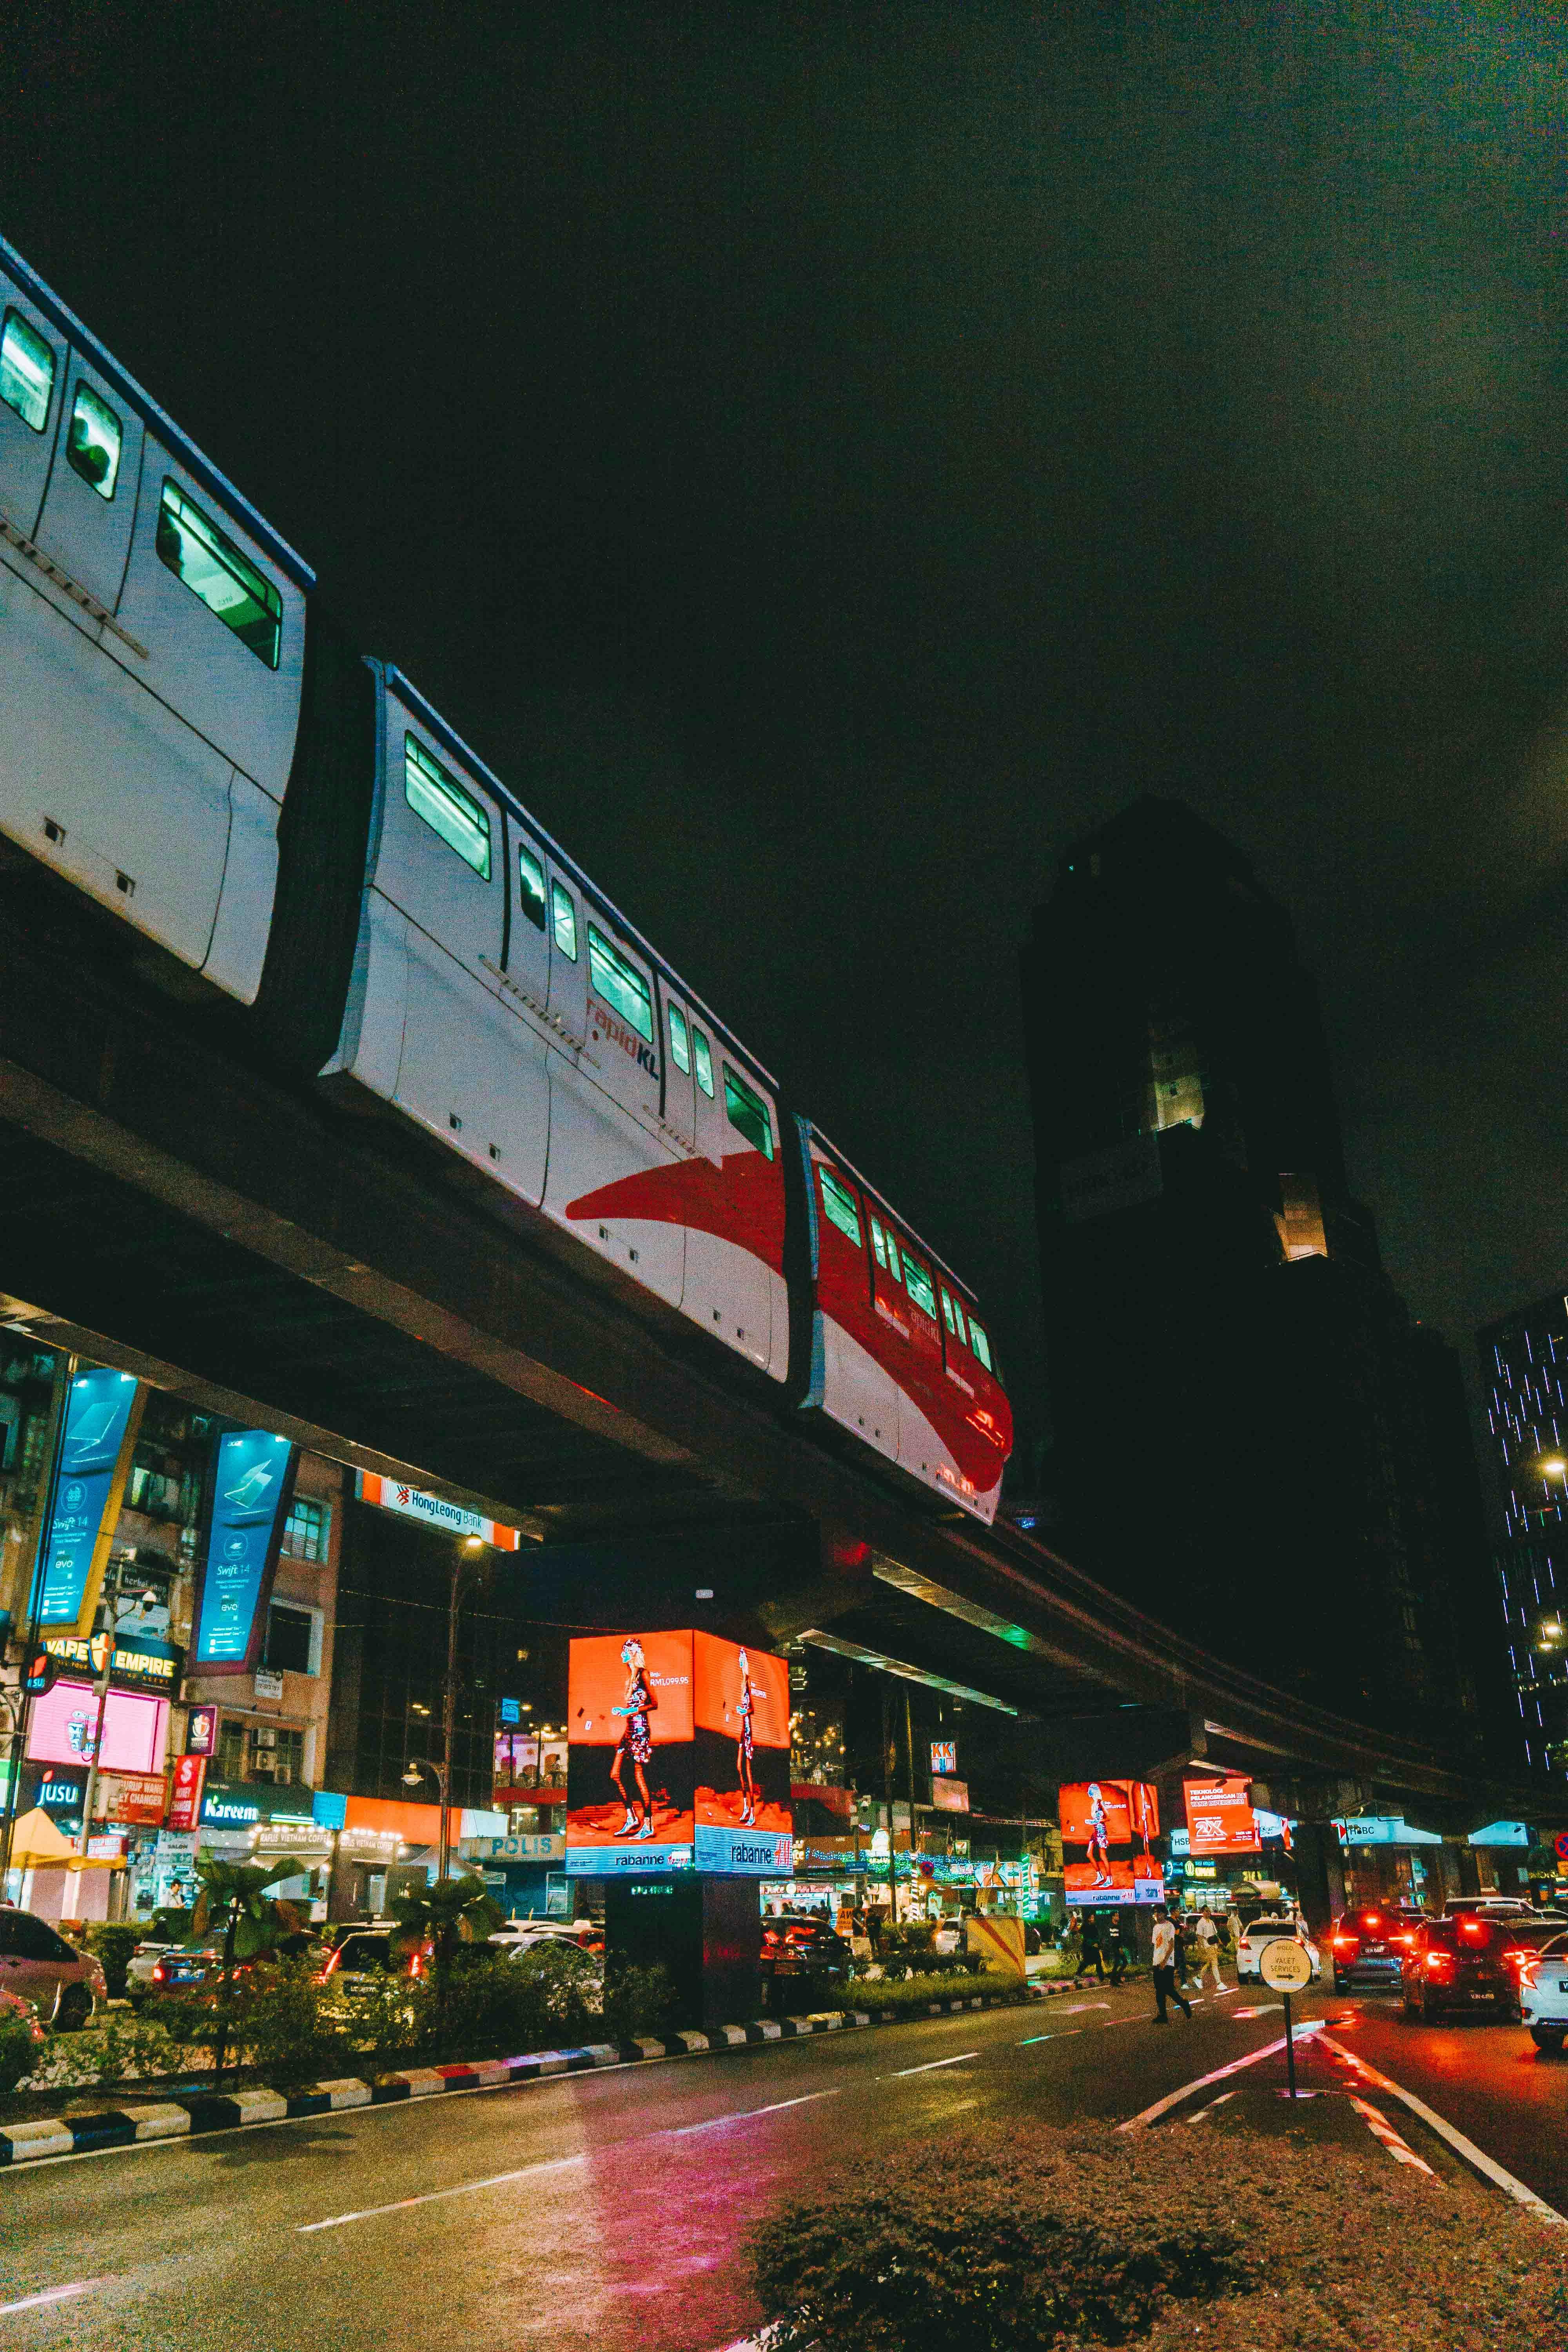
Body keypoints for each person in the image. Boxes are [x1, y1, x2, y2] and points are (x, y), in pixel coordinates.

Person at [608, 1637, 657, 1840]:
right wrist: (623, 1712)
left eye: (625, 1651)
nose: (622, 1654)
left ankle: (648, 1824)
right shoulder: (630, 1676)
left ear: (634, 1653)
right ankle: (632, 1818)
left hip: (640, 1731)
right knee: (615, 1775)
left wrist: (630, 1710)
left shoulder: (644, 1674)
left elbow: (654, 1704)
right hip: (628, 1731)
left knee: (638, 1777)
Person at [1151, 1905, 1192, 2022]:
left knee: (1169, 1989)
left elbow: (1171, 1945)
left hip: (1168, 1962)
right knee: (1159, 1990)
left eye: (1158, 1913)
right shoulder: (1155, 1928)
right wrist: (1155, 1962)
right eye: (1155, 1913)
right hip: (1157, 1962)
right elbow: (1156, 1946)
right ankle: (1163, 2015)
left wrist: (1164, 1961)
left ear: (1164, 1913)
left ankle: (1184, 2004)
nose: (1157, 1915)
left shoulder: (1169, 1926)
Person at [735, 1647, 760, 1826]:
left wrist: (744, 1711)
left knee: (749, 1773)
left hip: (749, 1733)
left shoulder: (748, 1682)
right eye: (740, 1661)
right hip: (742, 1732)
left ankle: (752, 1812)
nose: (741, 1663)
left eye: (743, 1660)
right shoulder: (742, 1683)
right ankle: (745, 1807)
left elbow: (752, 1709)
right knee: (738, 1767)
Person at [1192, 1907, 1224, 1991]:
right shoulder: (1201, 1923)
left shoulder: (1211, 1922)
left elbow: (1215, 1934)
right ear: (1203, 1912)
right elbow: (1199, 1936)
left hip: (1213, 1946)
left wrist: (1220, 1943)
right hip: (1207, 1946)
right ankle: (1219, 1983)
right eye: (1207, 1911)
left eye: (1209, 1911)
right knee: (1214, 1963)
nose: (1209, 1913)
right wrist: (1201, 1948)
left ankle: (1198, 1978)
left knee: (1211, 1963)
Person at [1074, 1907, 1105, 1980]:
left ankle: (1101, 1977)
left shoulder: (1094, 1926)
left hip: (1094, 1947)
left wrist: (1098, 1944)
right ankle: (1078, 1974)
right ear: (1088, 1919)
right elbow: (1085, 1937)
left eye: (1093, 1918)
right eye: (1092, 1918)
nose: (1093, 1919)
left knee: (1098, 1961)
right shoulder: (1085, 1927)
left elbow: (1097, 1936)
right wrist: (1092, 1944)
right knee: (1086, 1962)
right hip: (1088, 1948)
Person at [1103, 1908, 1128, 1985]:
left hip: (1118, 1947)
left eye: (1118, 1916)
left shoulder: (1119, 1926)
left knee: (1125, 1962)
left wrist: (1121, 1947)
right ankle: (1113, 1980)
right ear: (1113, 1917)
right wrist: (1117, 1948)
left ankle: (1116, 1976)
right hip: (1114, 1948)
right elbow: (1112, 1939)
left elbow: (1120, 1938)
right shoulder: (1111, 1927)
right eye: (1117, 1916)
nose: (1118, 1917)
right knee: (1117, 1963)